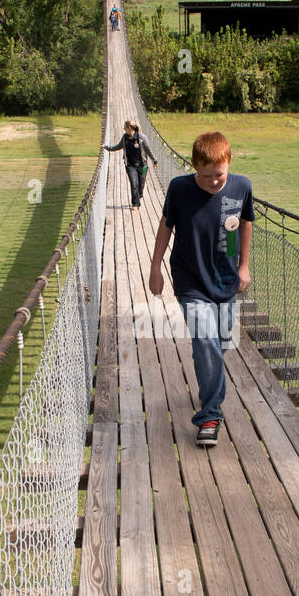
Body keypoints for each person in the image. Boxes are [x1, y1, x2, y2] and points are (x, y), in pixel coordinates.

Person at [149, 131, 253, 447]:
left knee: (215, 345)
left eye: (219, 175)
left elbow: (247, 222)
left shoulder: (242, 186)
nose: (213, 182)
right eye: (206, 176)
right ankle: (210, 415)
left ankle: (208, 385)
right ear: (194, 168)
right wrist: (155, 267)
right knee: (206, 339)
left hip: (225, 280)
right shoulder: (179, 188)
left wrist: (244, 265)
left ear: (228, 164)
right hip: (189, 280)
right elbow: (166, 227)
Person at [105, 120, 158, 208]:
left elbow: (148, 149)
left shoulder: (141, 137)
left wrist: (154, 160)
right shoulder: (125, 137)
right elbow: (118, 146)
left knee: (141, 184)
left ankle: (139, 195)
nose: (123, 129)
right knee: (134, 184)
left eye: (125, 127)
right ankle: (135, 204)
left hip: (143, 165)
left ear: (129, 128)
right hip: (130, 165)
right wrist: (107, 148)